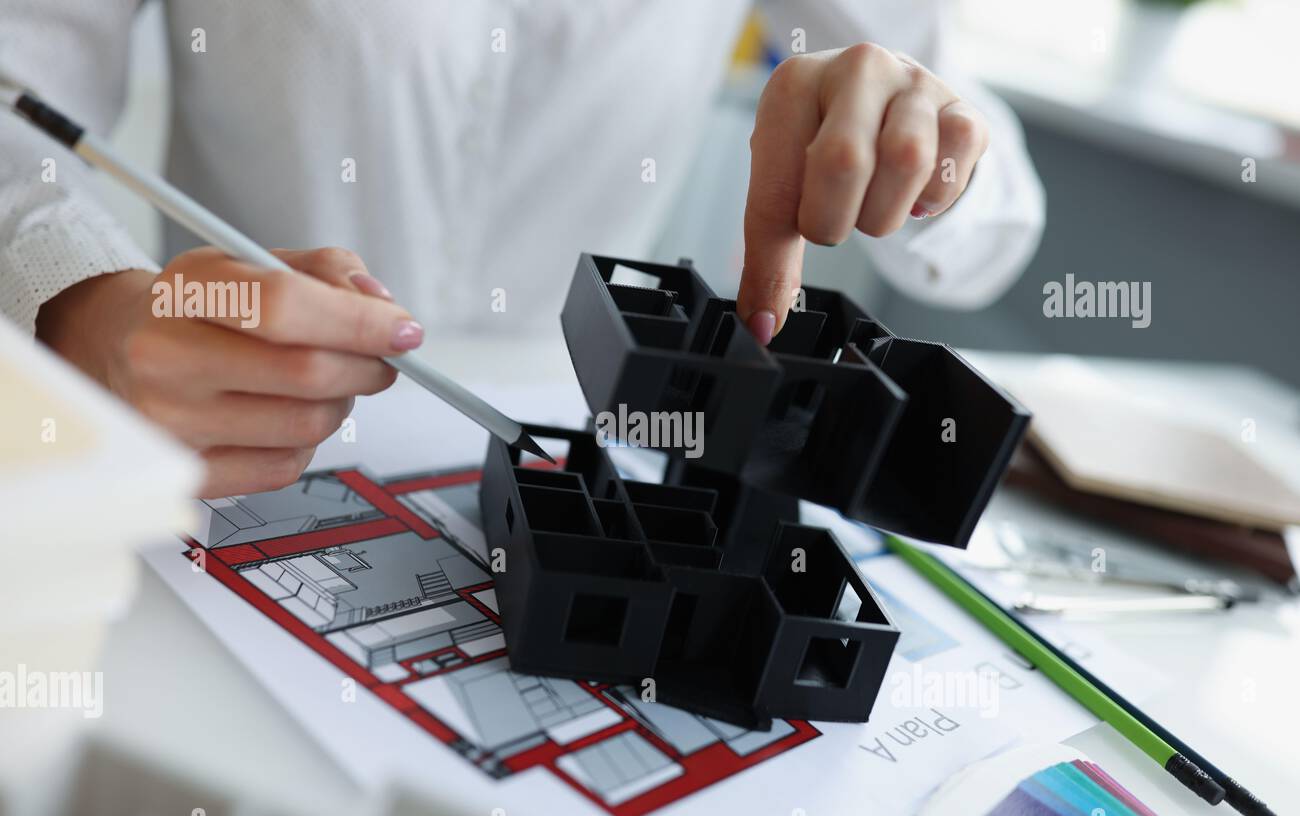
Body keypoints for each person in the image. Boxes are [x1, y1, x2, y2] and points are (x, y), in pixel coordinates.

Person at [0, 0, 1044, 496]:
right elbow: (16, 91)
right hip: (219, 457)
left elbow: (996, 223)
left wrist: (920, 141)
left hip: (596, 458)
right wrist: (84, 301)